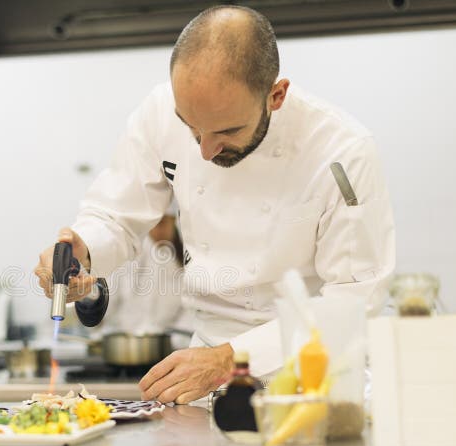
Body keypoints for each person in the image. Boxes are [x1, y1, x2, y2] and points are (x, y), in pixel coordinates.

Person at [34, 5, 395, 404]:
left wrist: (230, 359)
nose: (205, 151)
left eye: (227, 131)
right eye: (190, 126)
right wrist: (84, 250)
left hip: (312, 376)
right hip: (203, 376)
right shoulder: (157, 112)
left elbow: (355, 300)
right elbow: (115, 216)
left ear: (275, 95)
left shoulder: (343, 151)